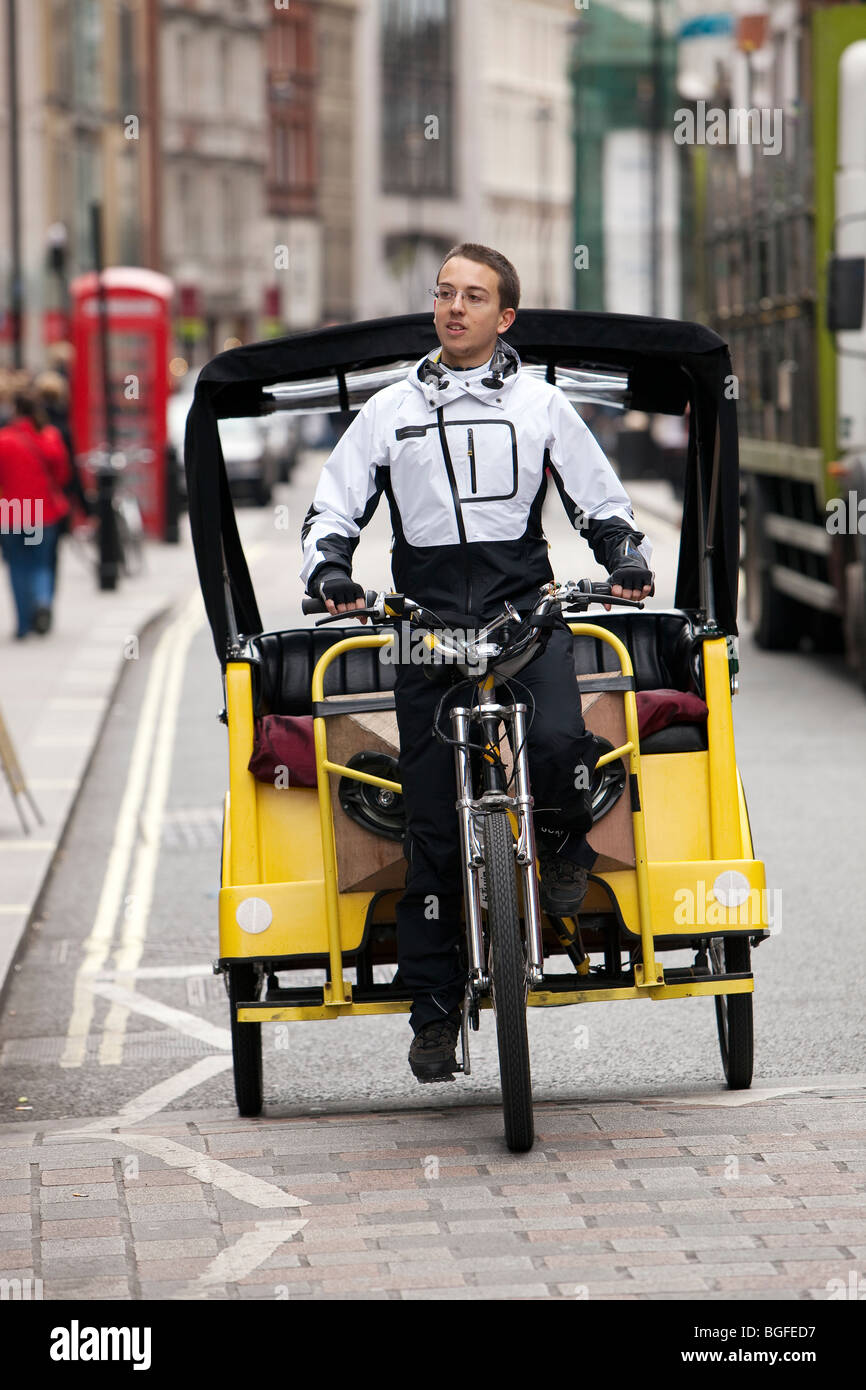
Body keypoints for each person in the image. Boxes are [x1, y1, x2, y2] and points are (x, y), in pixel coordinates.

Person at [300, 243, 653, 1082]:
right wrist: (330, 569)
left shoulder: (541, 406)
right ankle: (432, 1011)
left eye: (474, 297)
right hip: (424, 625)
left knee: (566, 749)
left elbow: (600, 498)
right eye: (444, 294)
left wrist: (624, 555)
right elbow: (333, 505)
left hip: (522, 613)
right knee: (429, 824)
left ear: (505, 318)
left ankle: (563, 850)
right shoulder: (389, 410)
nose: (454, 308)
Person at [0, 387, 71, 638]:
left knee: (18, 568)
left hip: (12, 512)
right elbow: (63, 475)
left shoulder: (4, 439)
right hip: (42, 512)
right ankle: (42, 601)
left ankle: (22, 626)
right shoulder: (49, 436)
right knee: (41, 565)